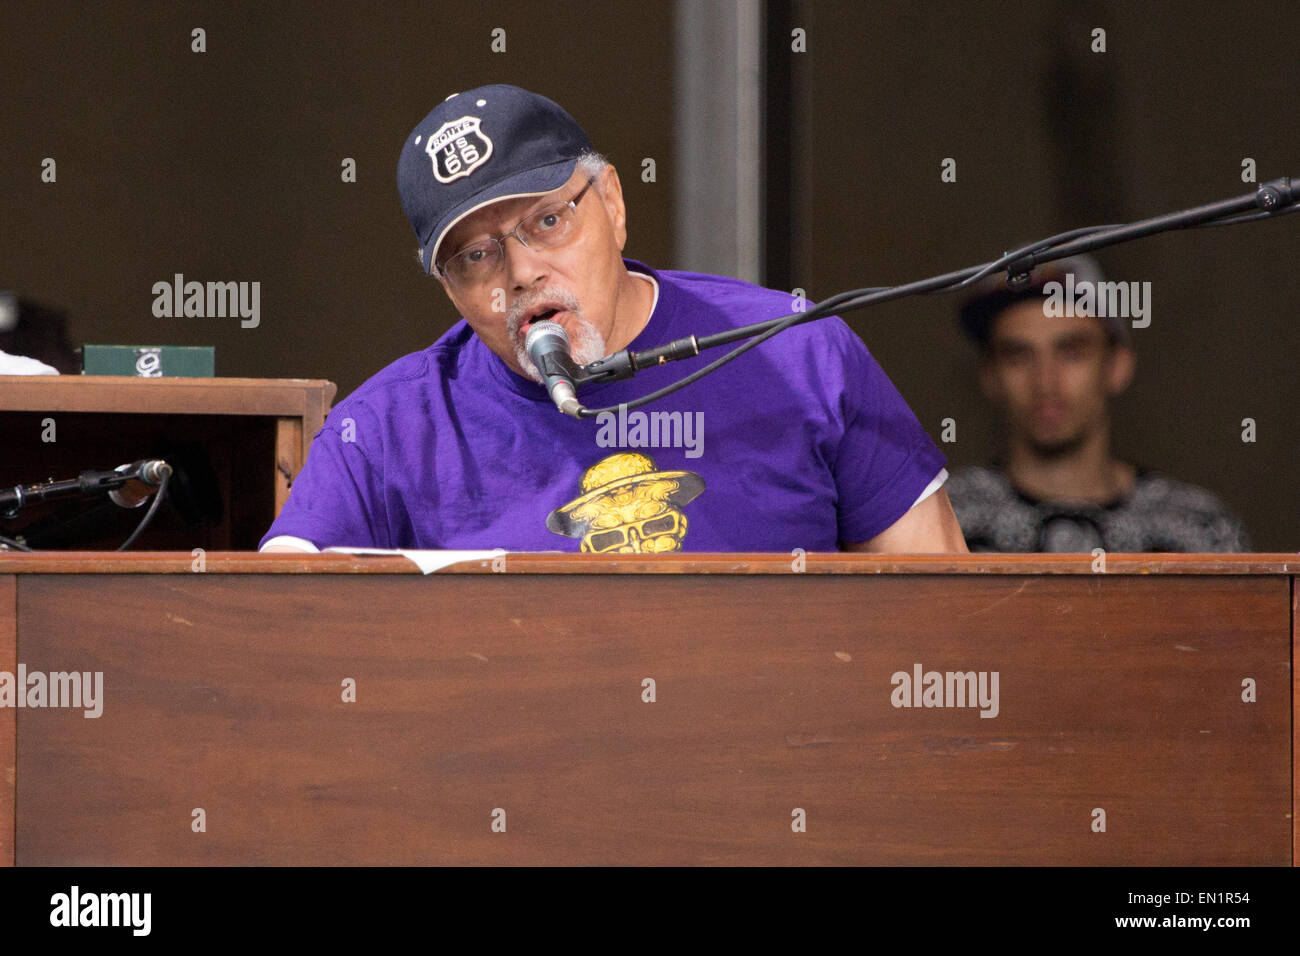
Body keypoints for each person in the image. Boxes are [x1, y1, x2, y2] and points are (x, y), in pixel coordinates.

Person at [260, 84, 967, 554]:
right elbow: (270, 633)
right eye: (476, 256)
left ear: (614, 204)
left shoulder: (797, 352)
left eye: (547, 219)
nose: (522, 271)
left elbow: (947, 619)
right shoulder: (385, 429)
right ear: (449, 290)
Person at [945, 255, 1250, 552]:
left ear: (1118, 366)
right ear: (989, 375)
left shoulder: (1201, 529)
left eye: (1071, 353)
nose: (1045, 382)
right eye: (1018, 356)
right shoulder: (944, 525)